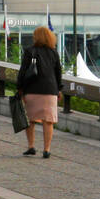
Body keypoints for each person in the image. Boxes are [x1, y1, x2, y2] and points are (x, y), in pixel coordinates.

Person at [18, 26, 63, 158]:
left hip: (31, 89)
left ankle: (31, 146)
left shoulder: (29, 51)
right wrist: (59, 89)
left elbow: (23, 71)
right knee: (48, 121)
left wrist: (20, 88)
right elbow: (58, 73)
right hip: (49, 90)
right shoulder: (54, 53)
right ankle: (46, 149)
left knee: (30, 120)